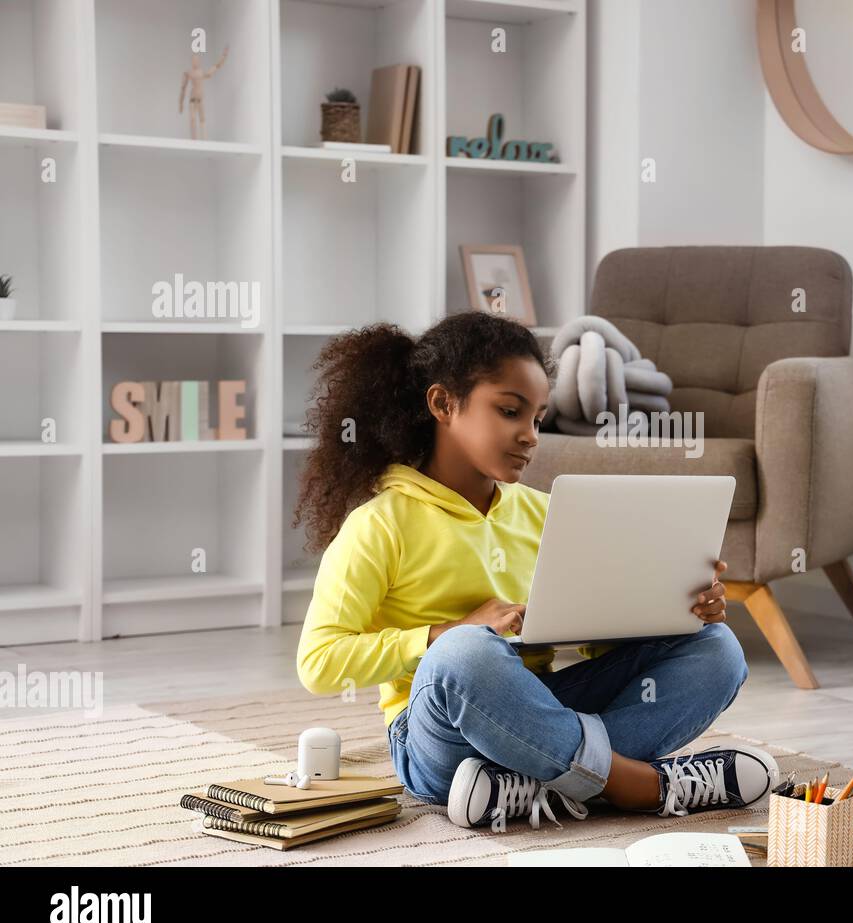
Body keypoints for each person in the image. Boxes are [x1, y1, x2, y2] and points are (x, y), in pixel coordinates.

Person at [293, 311, 777, 830]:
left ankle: (529, 787)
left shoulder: (546, 511)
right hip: (440, 740)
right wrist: (442, 634)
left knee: (717, 648)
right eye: (509, 411)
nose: (530, 436)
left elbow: (594, 642)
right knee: (468, 652)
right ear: (443, 403)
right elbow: (319, 663)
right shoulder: (379, 524)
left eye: (538, 419)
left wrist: (674, 607)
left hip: (541, 713)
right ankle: (637, 785)